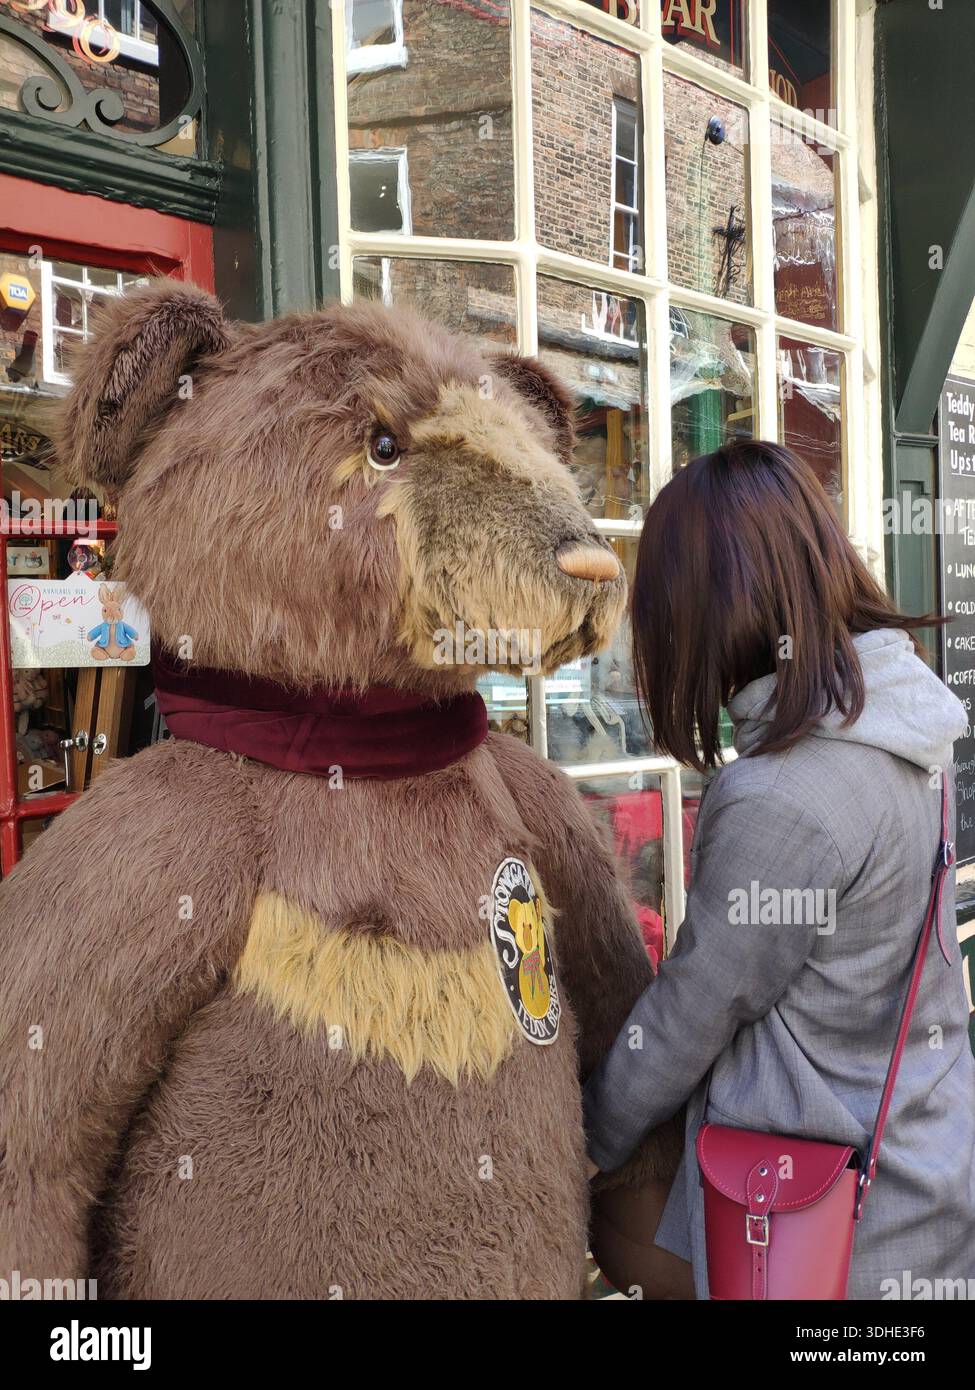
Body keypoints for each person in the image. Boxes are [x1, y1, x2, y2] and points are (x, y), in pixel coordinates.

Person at [584, 441, 975, 1300]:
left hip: (827, 1230)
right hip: (933, 1169)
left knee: (605, 1217)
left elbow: (694, 1010)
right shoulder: (907, 723)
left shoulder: (779, 795)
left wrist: (578, 1137)